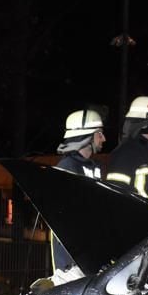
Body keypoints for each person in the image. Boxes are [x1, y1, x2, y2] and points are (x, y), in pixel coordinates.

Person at [48, 108, 106, 285]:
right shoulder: (66, 169)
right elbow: (64, 221)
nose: (103, 139)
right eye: (99, 134)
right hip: (72, 266)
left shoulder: (93, 168)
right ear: (87, 136)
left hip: (91, 260)